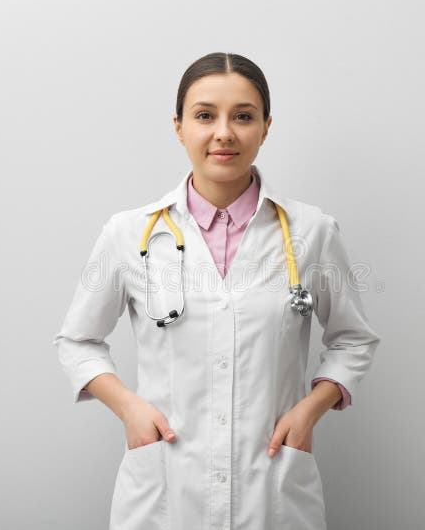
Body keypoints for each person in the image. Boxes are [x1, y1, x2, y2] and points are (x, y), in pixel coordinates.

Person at [52, 52, 382, 530]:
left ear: (266, 128)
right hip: (165, 486)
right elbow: (77, 341)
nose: (224, 132)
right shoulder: (128, 233)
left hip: (270, 485)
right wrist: (129, 408)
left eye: (243, 117)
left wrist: (310, 412)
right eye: (205, 115)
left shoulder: (311, 232)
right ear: (179, 126)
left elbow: (354, 339)